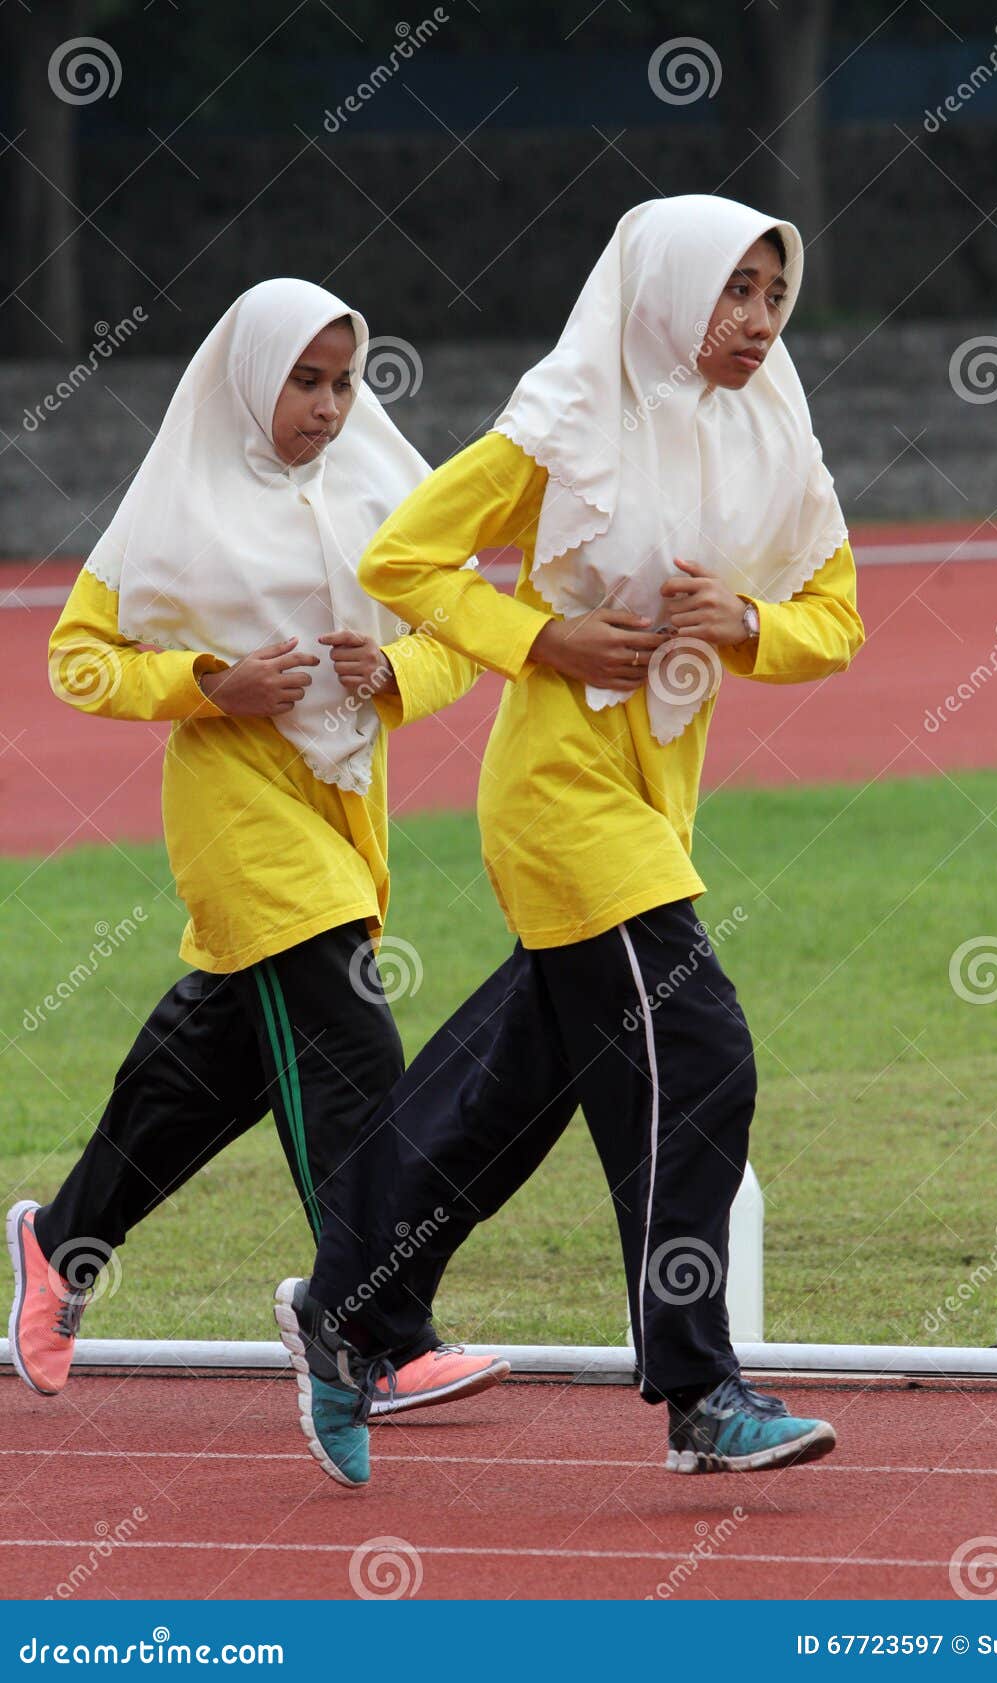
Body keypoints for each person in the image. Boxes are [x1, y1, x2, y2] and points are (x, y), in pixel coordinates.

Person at [275, 196, 866, 1488]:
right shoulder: (563, 430)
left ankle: (355, 1300)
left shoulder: (772, 432)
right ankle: (701, 1393)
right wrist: (539, 635)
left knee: (512, 1092)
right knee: (697, 1047)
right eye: (731, 290)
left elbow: (836, 614)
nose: (758, 320)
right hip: (557, 798)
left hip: (659, 802)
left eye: (773, 292)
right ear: (659, 291)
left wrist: (746, 622)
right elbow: (404, 556)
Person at [6, 279, 507, 1426]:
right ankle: (374, 1329)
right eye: (303, 381)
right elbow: (79, 658)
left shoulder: (386, 485)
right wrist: (209, 687)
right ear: (248, 379)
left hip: (345, 810)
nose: (329, 407)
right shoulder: (176, 500)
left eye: (343, 382)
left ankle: (60, 1241)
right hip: (239, 816)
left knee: (207, 1071)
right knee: (354, 1046)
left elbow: (463, 632)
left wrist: (396, 674)